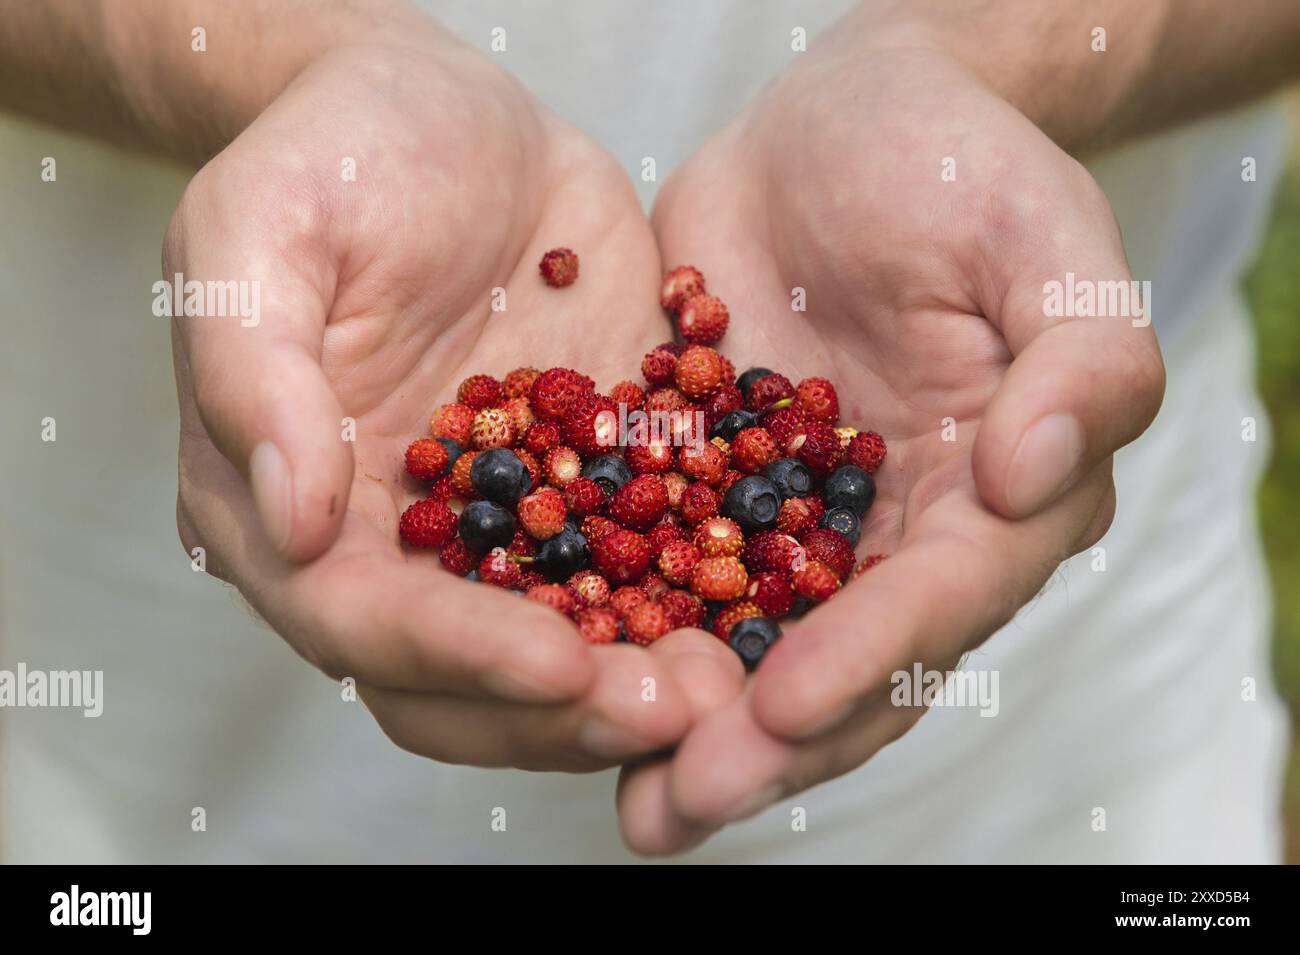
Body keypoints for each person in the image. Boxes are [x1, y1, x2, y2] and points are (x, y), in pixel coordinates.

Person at [0, 0, 1294, 863]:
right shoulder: (614, 493)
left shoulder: (733, 494)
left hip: (1052, 749)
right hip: (154, 759)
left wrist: (976, 58)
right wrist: (269, 62)